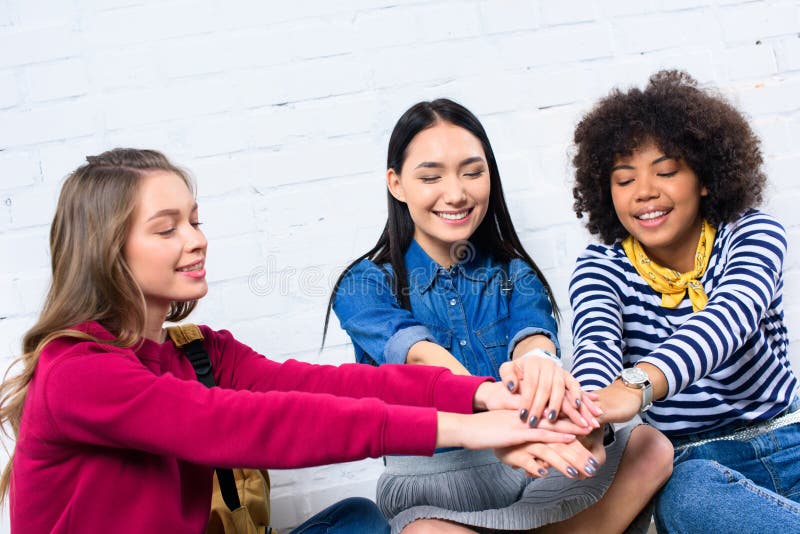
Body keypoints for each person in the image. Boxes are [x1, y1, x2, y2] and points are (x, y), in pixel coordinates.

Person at [0, 148, 584, 534]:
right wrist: (470, 431)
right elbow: (242, 423)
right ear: (108, 250)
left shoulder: (198, 351)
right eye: (166, 228)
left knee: (357, 521)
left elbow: (325, 385)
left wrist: (483, 395)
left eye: (195, 220)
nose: (196, 240)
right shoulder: (76, 370)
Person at [327, 99, 672, 533]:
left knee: (650, 445)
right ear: (396, 183)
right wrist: (504, 420)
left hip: (530, 464)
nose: (456, 193)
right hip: (438, 488)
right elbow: (421, 358)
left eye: (473, 172)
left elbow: (534, 341)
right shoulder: (362, 284)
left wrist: (545, 373)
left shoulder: (514, 271)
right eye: (431, 177)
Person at [569, 69, 800, 533]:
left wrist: (635, 386)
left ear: (705, 178)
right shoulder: (600, 267)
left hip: (788, 440)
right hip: (691, 466)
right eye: (624, 179)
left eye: (667, 171)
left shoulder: (751, 234)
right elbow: (594, 345)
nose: (645, 192)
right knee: (689, 494)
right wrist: (590, 411)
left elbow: (729, 318)